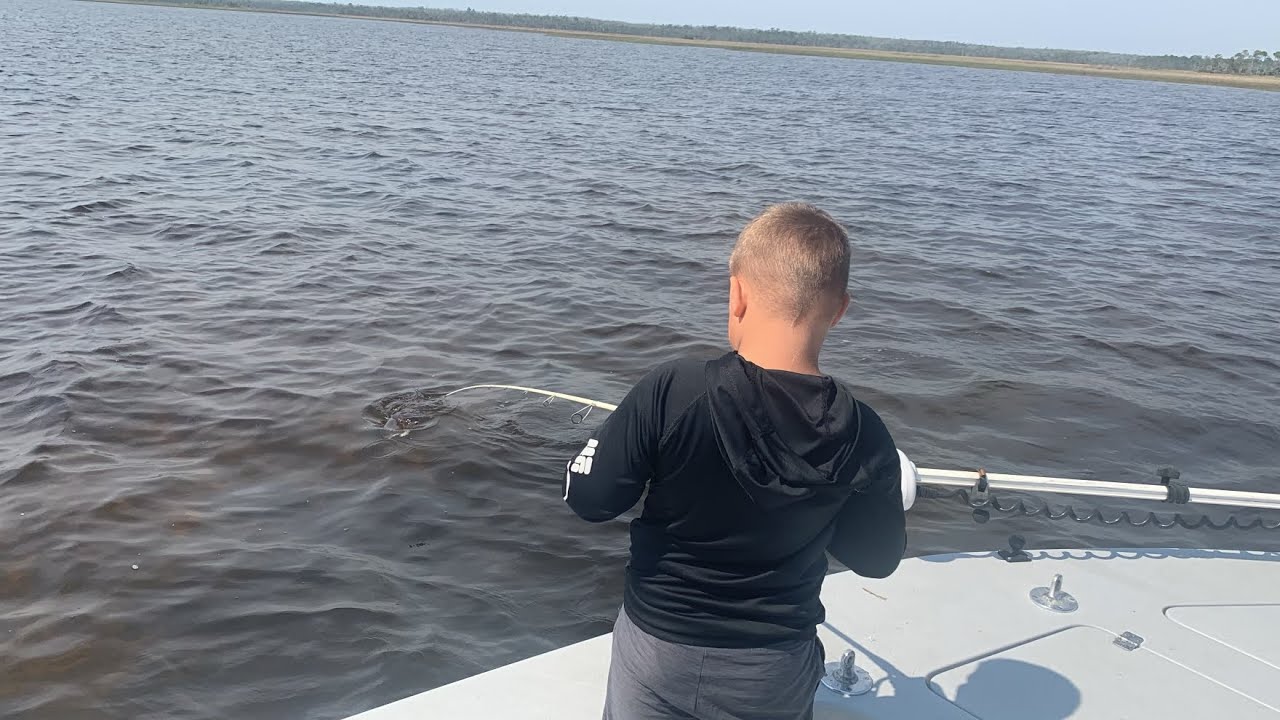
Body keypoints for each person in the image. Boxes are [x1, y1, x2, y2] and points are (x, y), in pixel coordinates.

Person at [562, 202, 907, 720]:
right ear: (839, 310)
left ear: (738, 293)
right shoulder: (864, 432)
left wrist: (595, 451)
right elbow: (877, 559)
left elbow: (590, 500)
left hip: (659, 650)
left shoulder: (674, 390)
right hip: (774, 669)